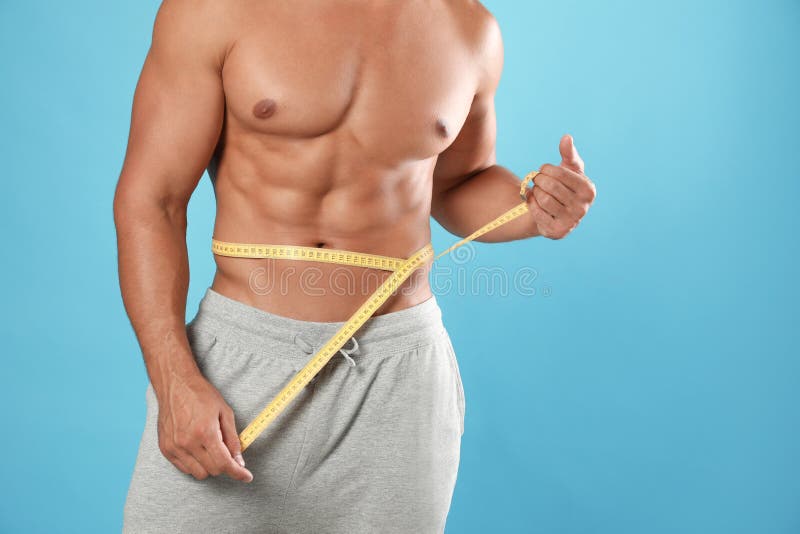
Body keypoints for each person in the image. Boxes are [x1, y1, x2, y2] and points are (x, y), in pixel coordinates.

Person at [113, 0, 596, 532]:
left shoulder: (469, 28)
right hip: (239, 367)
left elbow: (459, 184)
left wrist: (536, 207)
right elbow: (152, 200)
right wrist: (173, 379)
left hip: (397, 377)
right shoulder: (214, 10)